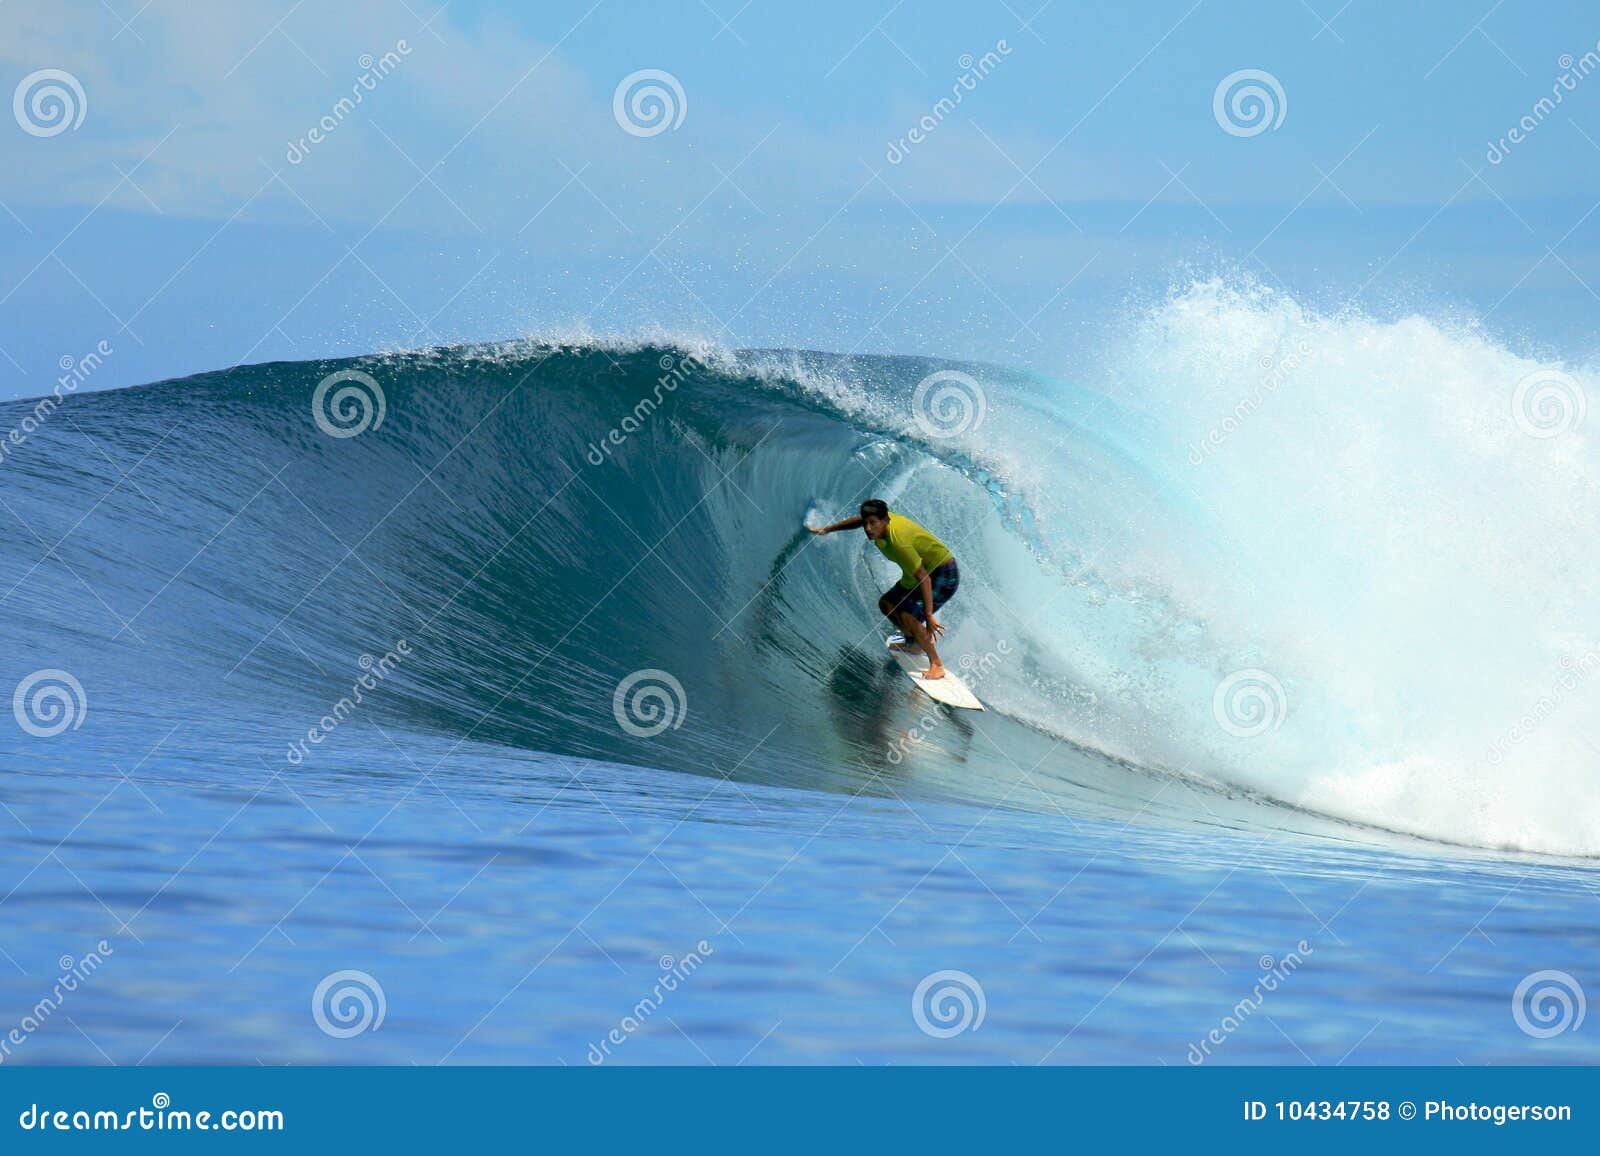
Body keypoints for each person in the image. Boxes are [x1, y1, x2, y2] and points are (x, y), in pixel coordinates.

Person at [809, 499, 959, 679]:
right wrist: (827, 529)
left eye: (873, 523)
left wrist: (928, 615)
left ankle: (936, 664)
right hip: (920, 573)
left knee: (908, 615)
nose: (868, 529)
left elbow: (924, 578)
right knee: (887, 604)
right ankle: (914, 644)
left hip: (942, 573)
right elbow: (859, 520)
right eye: (866, 524)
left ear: (885, 520)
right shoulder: (881, 523)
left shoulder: (898, 541)